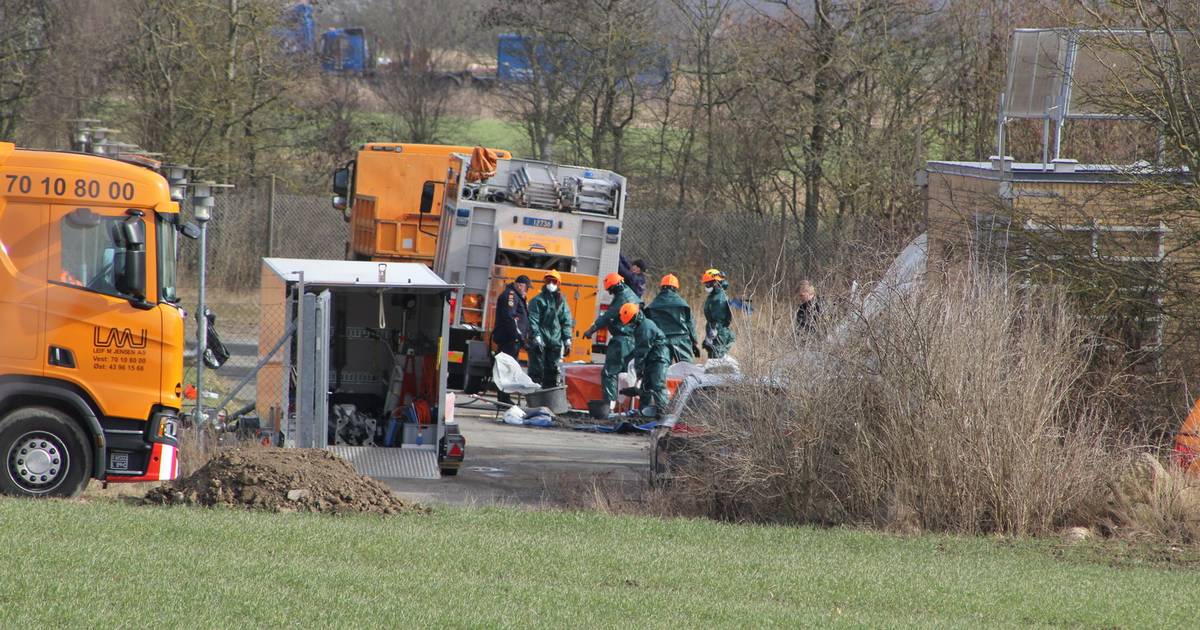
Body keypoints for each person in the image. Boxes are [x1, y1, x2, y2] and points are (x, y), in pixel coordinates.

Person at [582, 272, 638, 413]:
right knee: (626, 374)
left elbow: (608, 316)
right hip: (631, 340)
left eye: (610, 289)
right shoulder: (630, 293)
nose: (610, 292)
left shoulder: (622, 297)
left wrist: (592, 329)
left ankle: (608, 406)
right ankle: (626, 408)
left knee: (609, 372)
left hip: (621, 340)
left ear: (615, 286)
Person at [526, 270, 574, 388]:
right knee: (536, 371)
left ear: (558, 283)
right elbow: (533, 319)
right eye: (548, 281)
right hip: (540, 341)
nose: (551, 283)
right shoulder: (538, 300)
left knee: (552, 372)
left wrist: (567, 339)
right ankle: (534, 398)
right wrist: (536, 336)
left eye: (554, 281)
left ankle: (548, 399)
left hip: (555, 342)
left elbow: (566, 321)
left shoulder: (561, 301)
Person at [620, 303, 670, 413]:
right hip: (651, 358)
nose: (629, 325)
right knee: (645, 388)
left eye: (630, 322)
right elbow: (639, 350)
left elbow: (642, 352)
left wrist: (638, 370)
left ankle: (664, 414)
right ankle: (643, 413)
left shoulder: (645, 328)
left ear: (635, 317)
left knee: (657, 385)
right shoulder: (640, 326)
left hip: (659, 358)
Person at [492, 274, 532, 404]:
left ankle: (505, 397)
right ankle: (504, 398)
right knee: (506, 369)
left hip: (512, 339)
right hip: (509, 339)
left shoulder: (516, 296)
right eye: (526, 288)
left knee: (509, 368)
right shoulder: (511, 296)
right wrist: (520, 338)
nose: (527, 291)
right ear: (520, 285)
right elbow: (511, 318)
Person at [644, 273, 700, 364]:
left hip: (661, 340)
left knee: (661, 368)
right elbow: (690, 323)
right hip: (681, 338)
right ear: (676, 288)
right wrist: (695, 342)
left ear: (662, 287)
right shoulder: (683, 304)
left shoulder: (653, 305)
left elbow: (647, 326)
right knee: (686, 368)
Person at [701, 268, 735, 359]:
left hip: (719, 333)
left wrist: (711, 336)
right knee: (713, 358)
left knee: (717, 360)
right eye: (706, 284)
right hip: (715, 332)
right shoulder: (714, 296)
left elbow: (718, 321)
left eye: (708, 284)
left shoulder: (719, 298)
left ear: (716, 282)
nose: (706, 286)